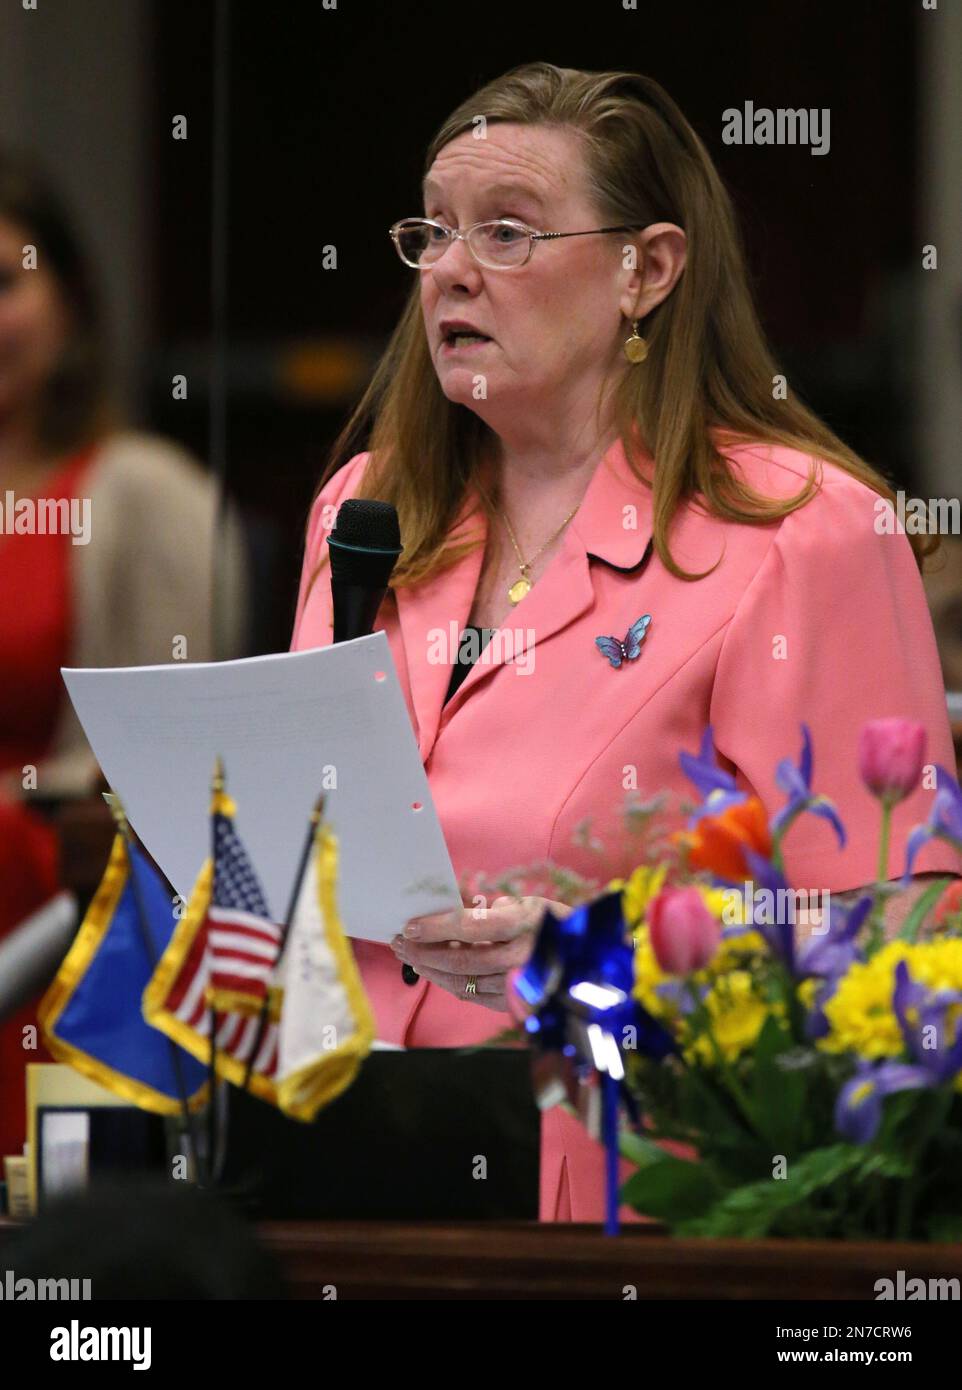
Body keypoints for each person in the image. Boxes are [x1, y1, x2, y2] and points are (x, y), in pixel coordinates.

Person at [290, 63, 961, 1221]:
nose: (448, 269)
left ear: (644, 270)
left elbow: (903, 952)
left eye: (505, 232)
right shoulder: (365, 509)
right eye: (433, 231)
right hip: (338, 1174)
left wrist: (593, 959)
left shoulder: (801, 533)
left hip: (626, 1210)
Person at [0, 147, 248, 1161]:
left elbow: (169, 763)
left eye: (5, 281)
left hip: (57, 903)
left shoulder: (141, 494)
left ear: (71, 305)